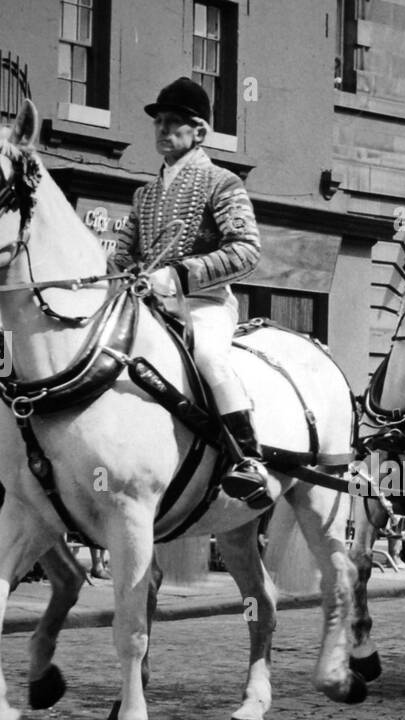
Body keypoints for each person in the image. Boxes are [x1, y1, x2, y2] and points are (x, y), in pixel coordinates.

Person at [112, 76, 274, 511]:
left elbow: (246, 250)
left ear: (199, 132)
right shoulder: (144, 194)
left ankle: (248, 459)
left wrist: (177, 277)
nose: (164, 130)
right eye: (159, 122)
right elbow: (122, 255)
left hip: (203, 304)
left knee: (208, 359)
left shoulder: (222, 183)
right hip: (146, 307)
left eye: (175, 123)